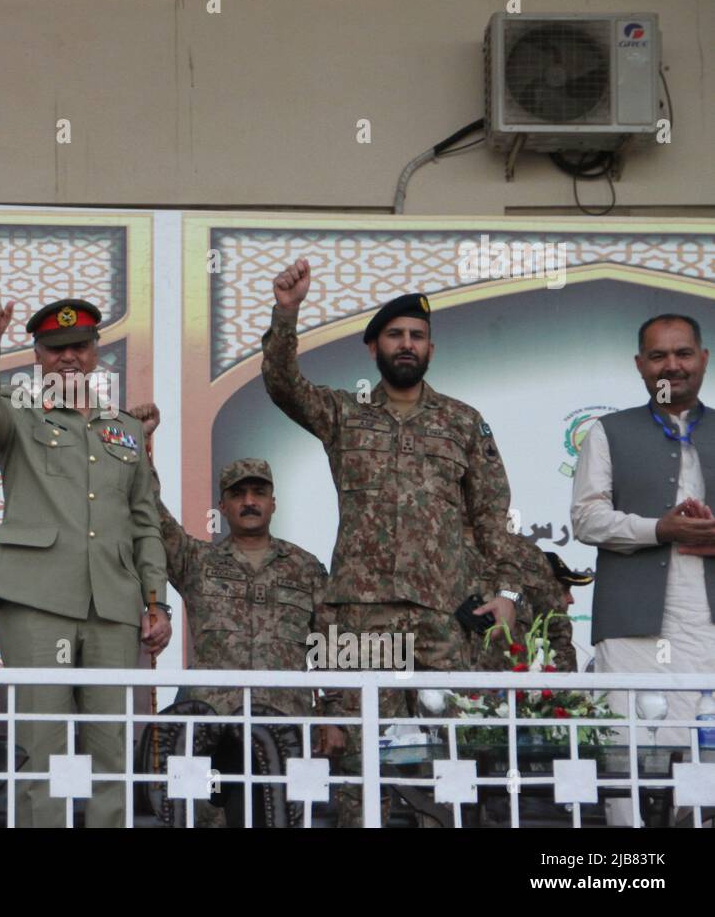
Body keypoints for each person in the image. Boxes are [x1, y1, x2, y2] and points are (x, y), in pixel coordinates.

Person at [262, 259, 524, 827]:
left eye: (417, 336)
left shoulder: (462, 422)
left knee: (452, 760)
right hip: (360, 619)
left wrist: (505, 589)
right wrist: (287, 313)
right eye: (395, 335)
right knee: (362, 766)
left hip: (443, 618)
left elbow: (492, 513)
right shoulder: (345, 417)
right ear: (372, 347)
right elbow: (283, 384)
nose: (407, 344)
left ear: (430, 348)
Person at [0, 297, 170, 827]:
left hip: (113, 606)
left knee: (113, 755)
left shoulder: (124, 428)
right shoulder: (17, 407)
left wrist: (156, 602)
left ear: (97, 351)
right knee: (45, 749)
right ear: (37, 354)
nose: (69, 359)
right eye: (56, 350)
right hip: (38, 601)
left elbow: (143, 522)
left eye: (79, 346)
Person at [130, 405, 333, 826]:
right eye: (238, 495)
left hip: (285, 730)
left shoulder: (305, 567)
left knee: (284, 819)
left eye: (258, 493)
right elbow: (151, 513)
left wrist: (333, 719)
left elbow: (333, 650)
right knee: (206, 820)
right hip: (210, 730)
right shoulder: (197, 561)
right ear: (222, 505)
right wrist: (142, 447)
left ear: (273, 502)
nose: (249, 502)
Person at [570, 313, 715, 820]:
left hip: (708, 627)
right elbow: (587, 519)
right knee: (627, 758)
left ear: (703, 358)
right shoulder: (609, 432)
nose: (671, 366)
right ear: (640, 365)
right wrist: (661, 529)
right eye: (658, 356)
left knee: (708, 763)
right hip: (633, 629)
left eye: (682, 354)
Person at [466, 530, 590, 673]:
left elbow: (556, 634)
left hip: (511, 686)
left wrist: (557, 691)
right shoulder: (438, 544)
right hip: (441, 680)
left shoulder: (527, 554)